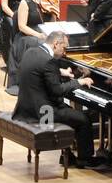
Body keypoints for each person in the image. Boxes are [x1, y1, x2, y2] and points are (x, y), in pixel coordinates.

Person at [13, 31, 100, 168]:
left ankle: (67, 155)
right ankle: (85, 159)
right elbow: (57, 90)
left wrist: (60, 72)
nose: (65, 52)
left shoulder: (32, 51)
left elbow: (39, 70)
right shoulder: (49, 61)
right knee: (83, 119)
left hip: (26, 107)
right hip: (43, 112)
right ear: (56, 44)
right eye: (64, 48)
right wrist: (80, 82)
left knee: (70, 112)